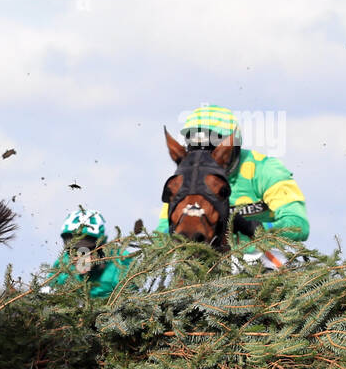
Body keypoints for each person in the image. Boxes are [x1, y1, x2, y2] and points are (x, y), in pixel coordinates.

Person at [156, 104, 309, 250]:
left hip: (264, 259)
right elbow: (163, 231)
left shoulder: (266, 169)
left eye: (212, 152)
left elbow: (299, 225)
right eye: (196, 152)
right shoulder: (186, 181)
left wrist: (253, 228)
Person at [47, 208, 130, 298]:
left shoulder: (123, 263)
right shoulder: (62, 266)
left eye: (85, 250)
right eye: (73, 251)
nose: (79, 258)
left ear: (101, 246)